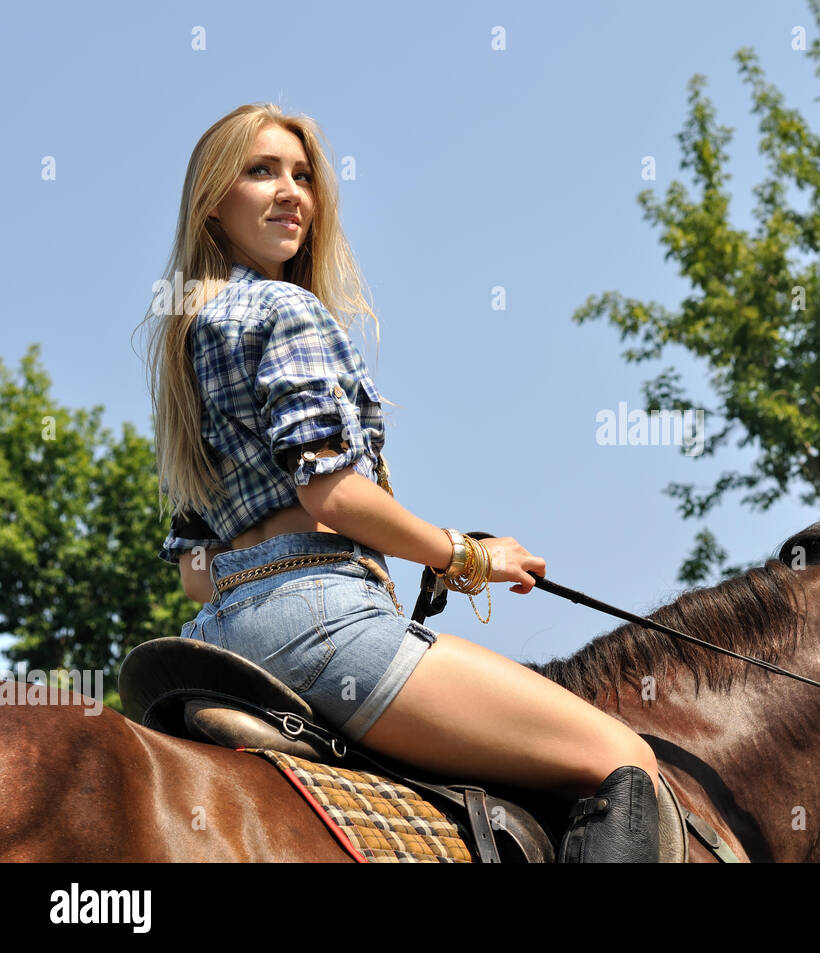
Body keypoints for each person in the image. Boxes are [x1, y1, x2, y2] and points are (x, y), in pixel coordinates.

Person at [138, 103, 658, 862]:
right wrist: (466, 557)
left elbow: (194, 572)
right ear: (213, 201)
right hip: (322, 626)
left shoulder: (188, 344)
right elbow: (332, 494)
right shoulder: (285, 308)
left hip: (216, 638)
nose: (290, 192)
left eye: (303, 176)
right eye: (261, 172)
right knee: (622, 758)